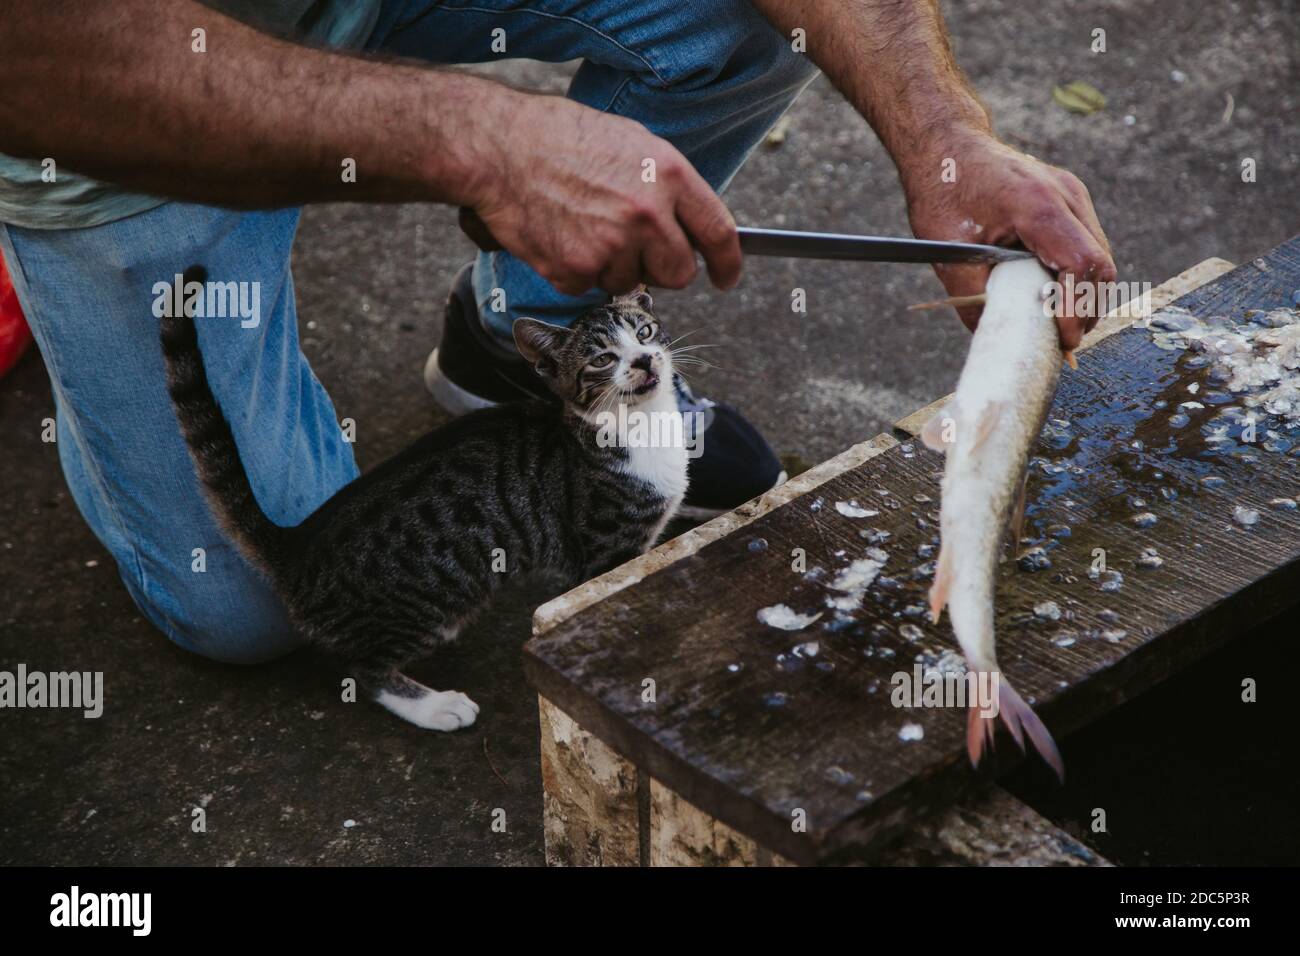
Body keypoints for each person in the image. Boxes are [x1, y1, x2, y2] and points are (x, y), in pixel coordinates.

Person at [0, 1, 1114, 665]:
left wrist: (943, 135)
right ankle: (72, 312)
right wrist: (478, 143)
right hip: (104, 89)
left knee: (735, 24)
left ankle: (530, 334)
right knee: (261, 600)